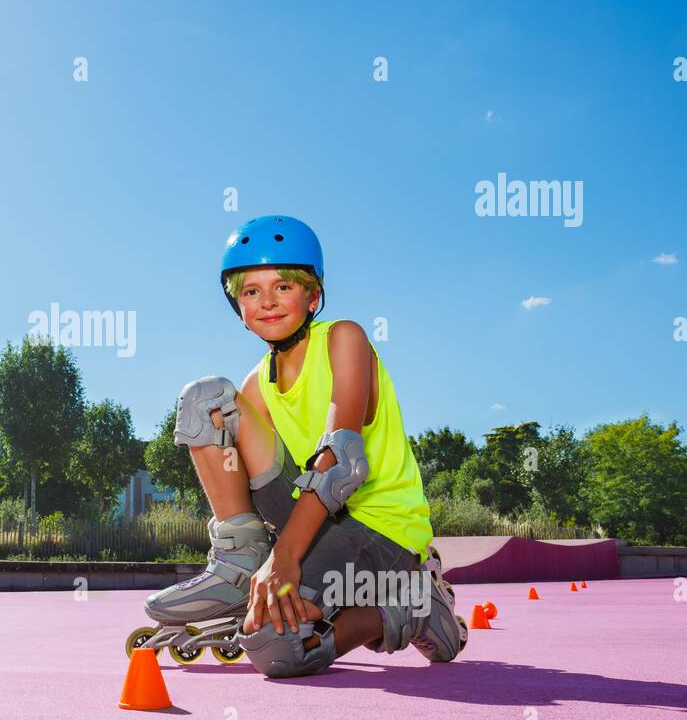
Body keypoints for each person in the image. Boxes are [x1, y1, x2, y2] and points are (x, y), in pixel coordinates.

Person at [145, 214, 466, 677]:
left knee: (278, 648)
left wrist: (286, 558)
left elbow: (343, 461)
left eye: (283, 287)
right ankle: (237, 565)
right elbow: (249, 474)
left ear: (312, 295)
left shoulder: (344, 338)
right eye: (251, 291)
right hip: (316, 519)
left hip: (380, 529)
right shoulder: (258, 382)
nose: (267, 303)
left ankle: (410, 606)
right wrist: (267, 555)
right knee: (208, 398)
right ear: (237, 305)